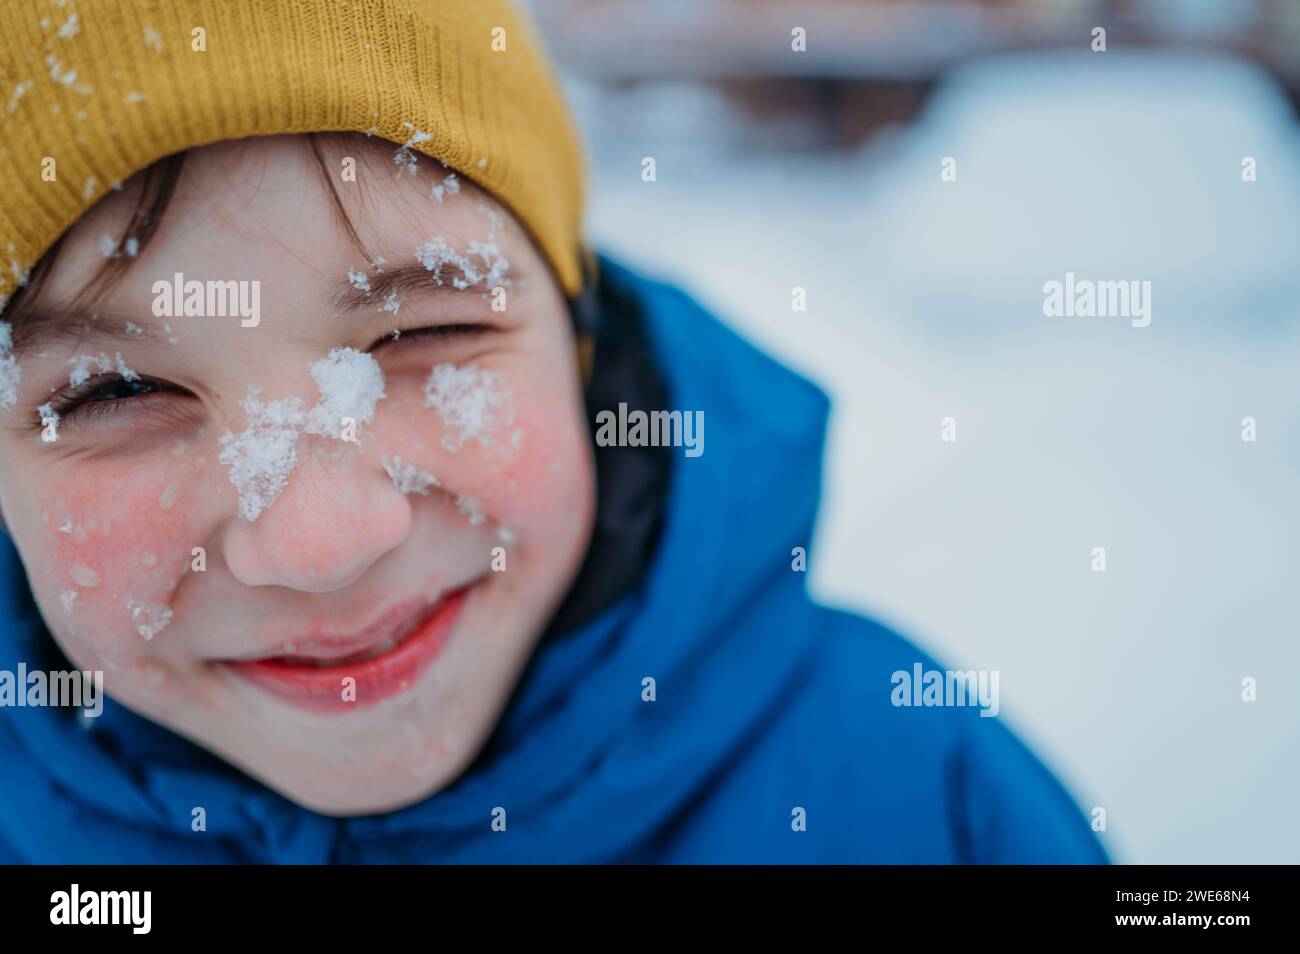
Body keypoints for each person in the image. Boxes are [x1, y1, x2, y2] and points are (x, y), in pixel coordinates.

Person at [0, 0, 1107, 863]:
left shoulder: (919, 798)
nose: (321, 540)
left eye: (419, 334)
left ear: (576, 340)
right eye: (111, 394)